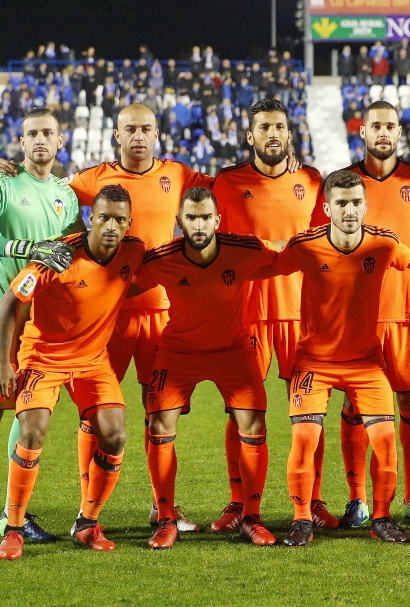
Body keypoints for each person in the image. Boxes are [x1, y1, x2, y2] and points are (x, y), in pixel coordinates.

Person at [0, 103, 214, 533]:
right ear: (116, 134)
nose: (138, 136)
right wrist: (14, 170)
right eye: (129, 128)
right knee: (92, 416)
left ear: (157, 133)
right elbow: (46, 185)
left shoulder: (182, 174)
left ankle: (162, 507)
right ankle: (86, 512)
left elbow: (232, 189)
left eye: (145, 128)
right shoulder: (90, 180)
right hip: (102, 320)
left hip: (160, 313)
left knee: (160, 413)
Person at [271, 169, 410, 547]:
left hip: (366, 362)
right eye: (341, 203)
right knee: (304, 438)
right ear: (327, 207)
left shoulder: (383, 245)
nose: (349, 210)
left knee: (385, 440)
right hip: (314, 361)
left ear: (366, 206)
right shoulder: (306, 246)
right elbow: (266, 264)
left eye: (356, 202)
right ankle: (301, 518)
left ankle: (381, 516)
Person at [311, 101, 410, 529]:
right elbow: (320, 242)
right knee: (354, 406)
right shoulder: (342, 185)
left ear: (400, 131)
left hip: (406, 315)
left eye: (390, 125)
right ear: (362, 132)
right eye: (375, 126)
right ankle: (357, 499)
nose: (383, 132)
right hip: (357, 318)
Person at [0, 185, 145, 559]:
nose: (111, 226)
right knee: (32, 430)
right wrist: (2, 361)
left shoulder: (134, 251)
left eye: (119, 220)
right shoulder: (58, 256)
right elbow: (11, 299)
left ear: (128, 223)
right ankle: (14, 528)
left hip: (92, 361)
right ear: (91, 217)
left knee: (115, 436)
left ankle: (87, 523)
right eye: (104, 217)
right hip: (43, 357)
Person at [0, 107, 83, 552]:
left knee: (26, 416)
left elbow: (75, 251)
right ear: (22, 139)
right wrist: (28, 247)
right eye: (32, 133)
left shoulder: (67, 197)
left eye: (48, 133)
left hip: (42, 329)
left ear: (61, 140)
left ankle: (14, 512)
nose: (40, 140)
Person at [211, 98, 338, 531]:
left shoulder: (313, 180)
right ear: (250, 136)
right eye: (263, 127)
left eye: (279, 127)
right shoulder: (225, 184)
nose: (272, 134)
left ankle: (314, 500)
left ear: (289, 133)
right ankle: (239, 502)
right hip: (245, 313)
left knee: (310, 413)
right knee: (243, 412)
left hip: (303, 314)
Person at [134, 187, 280, 548]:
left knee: (254, 423)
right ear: (179, 221)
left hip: (232, 349)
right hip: (178, 350)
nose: (198, 224)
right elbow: (122, 285)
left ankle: (251, 517)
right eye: (191, 217)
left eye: (205, 217)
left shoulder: (243, 250)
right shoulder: (162, 259)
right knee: (158, 423)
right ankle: (166, 520)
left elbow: (286, 257)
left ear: (217, 219)